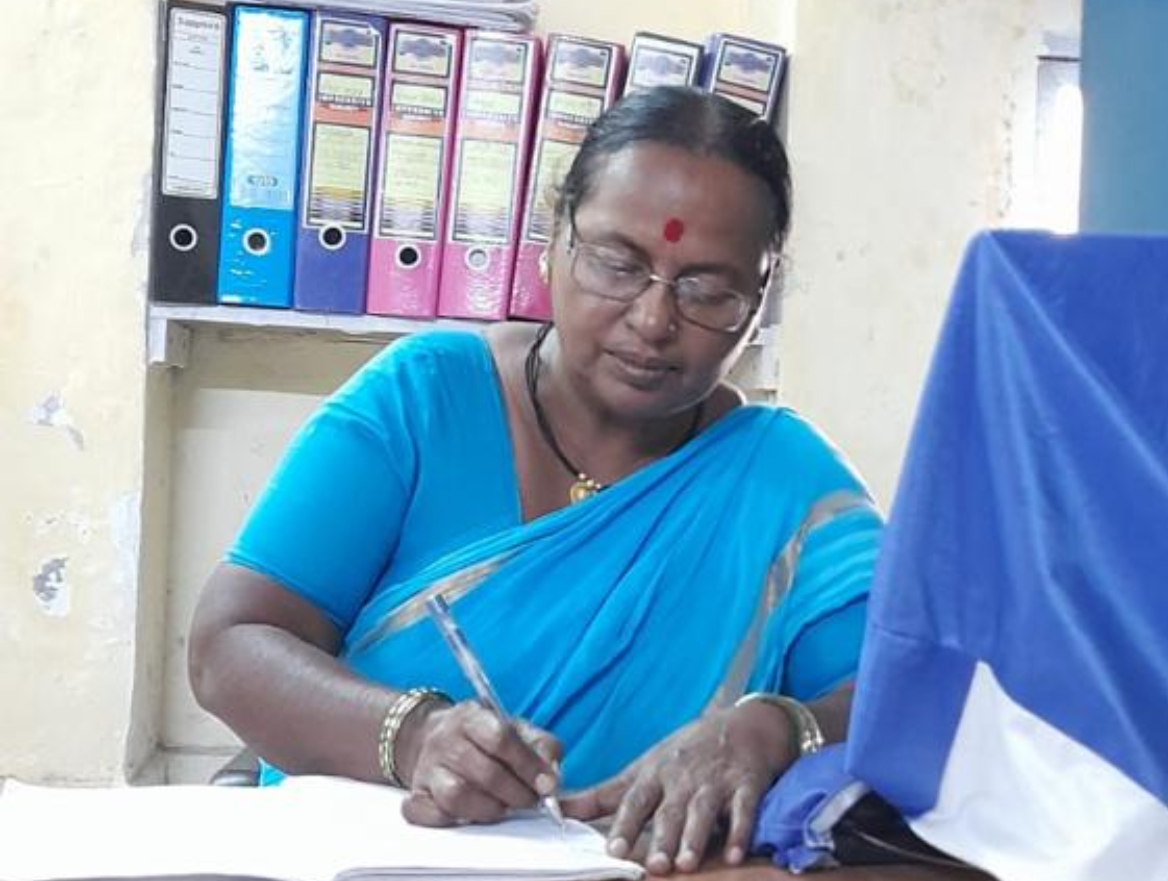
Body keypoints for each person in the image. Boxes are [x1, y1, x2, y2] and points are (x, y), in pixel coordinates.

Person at [188, 86, 883, 875]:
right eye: (619, 264)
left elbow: (920, 702)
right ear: (553, 242)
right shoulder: (426, 399)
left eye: (707, 289)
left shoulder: (786, 486)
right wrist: (411, 735)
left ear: (760, 300)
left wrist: (771, 728)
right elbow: (231, 643)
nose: (653, 320)